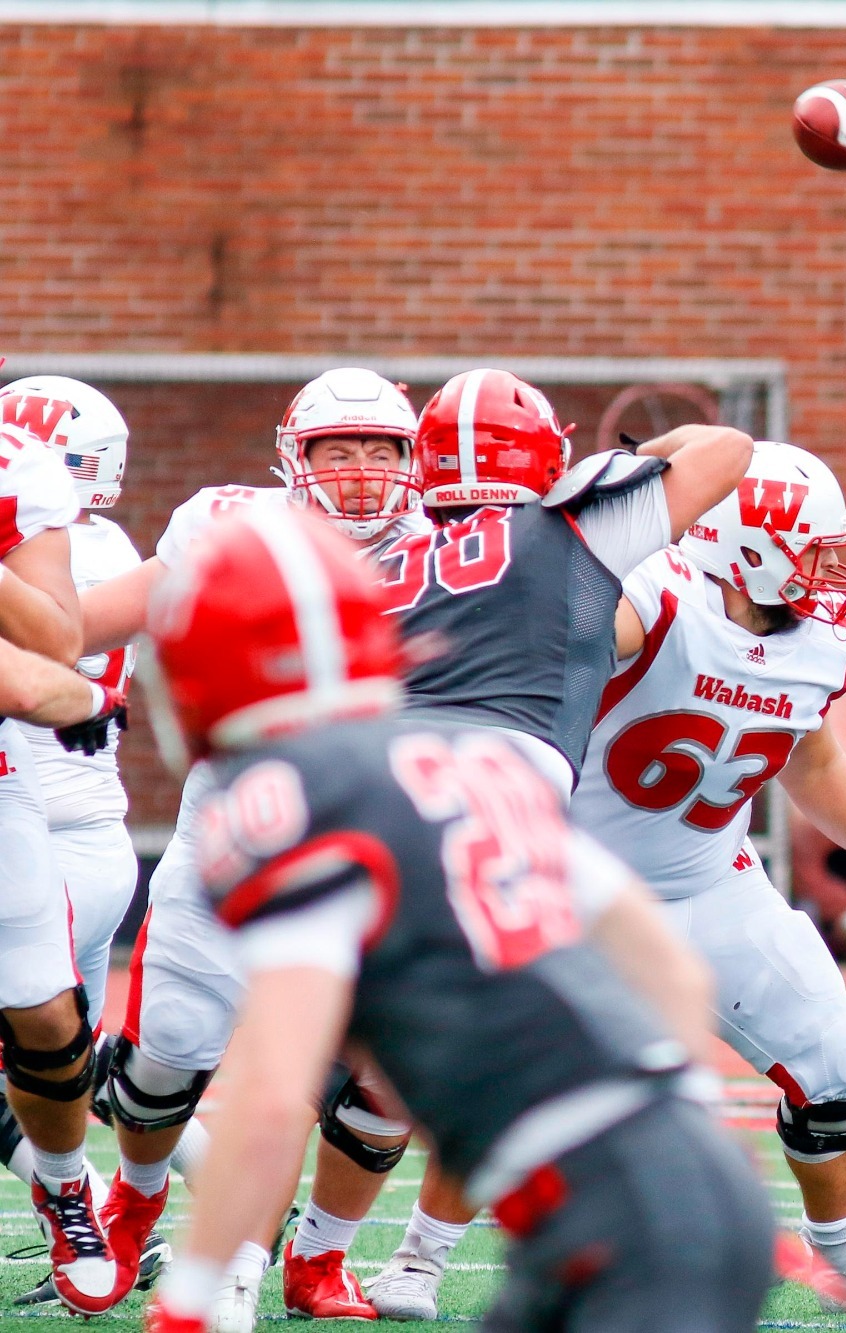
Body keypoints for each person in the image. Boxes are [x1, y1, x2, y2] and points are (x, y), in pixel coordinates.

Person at [138, 505, 773, 1333]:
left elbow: (267, 1095)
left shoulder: (288, 798)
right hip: (683, 1186)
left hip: (616, 1220)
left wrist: (189, 1298)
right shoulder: (471, 759)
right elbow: (669, 967)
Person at [286, 369, 751, 1320]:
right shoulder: (574, 524)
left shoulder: (388, 553)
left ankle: (274, 1254)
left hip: (367, 800)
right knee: (540, 1031)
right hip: (504, 810)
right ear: (549, 453)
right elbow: (729, 452)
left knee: (338, 1049)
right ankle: (397, 1250)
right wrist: (617, 466)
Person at [569, 441, 846, 1313]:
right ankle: (378, 1256)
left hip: (707, 878)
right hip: (575, 890)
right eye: (812, 547)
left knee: (837, 1060)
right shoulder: (649, 600)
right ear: (746, 542)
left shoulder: (818, 637)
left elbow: (810, 762)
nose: (833, 570)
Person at [77, 367, 437, 1326]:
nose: (362, 470)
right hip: (232, 835)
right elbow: (115, 611)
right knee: (163, 1064)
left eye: (381, 449)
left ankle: (319, 1256)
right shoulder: (227, 523)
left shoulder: (456, 549)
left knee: (384, 1080)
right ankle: (136, 1198)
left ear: (415, 458)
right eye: (339, 448)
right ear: (295, 456)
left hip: (378, 850)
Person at [0, 413, 136, 1314]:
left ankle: (65, 1185)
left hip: (31, 796)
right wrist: (81, 694)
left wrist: (82, 693)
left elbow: (44, 654)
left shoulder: (22, 471)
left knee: (47, 1016)